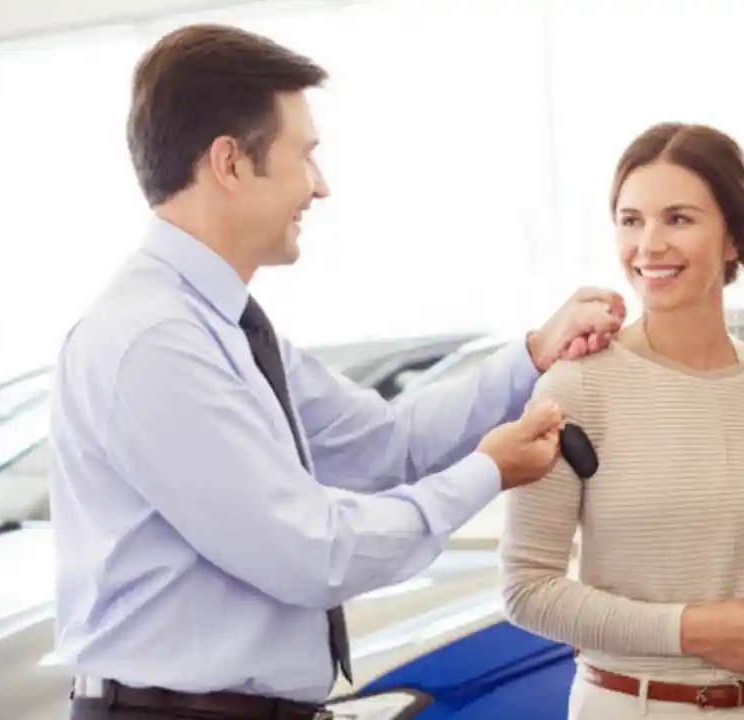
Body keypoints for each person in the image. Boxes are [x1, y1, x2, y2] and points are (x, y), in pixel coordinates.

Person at [48, 24, 625, 720]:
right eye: (305, 156)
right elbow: (309, 553)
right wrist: (486, 472)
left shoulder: (225, 326)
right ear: (229, 163)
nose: (320, 187)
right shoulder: (154, 343)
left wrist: (533, 354)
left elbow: (388, 444)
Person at [499, 122, 744, 719]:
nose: (649, 244)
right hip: (633, 706)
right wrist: (690, 630)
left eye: (678, 218)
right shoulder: (579, 384)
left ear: (735, 238)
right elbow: (527, 589)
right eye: (631, 220)